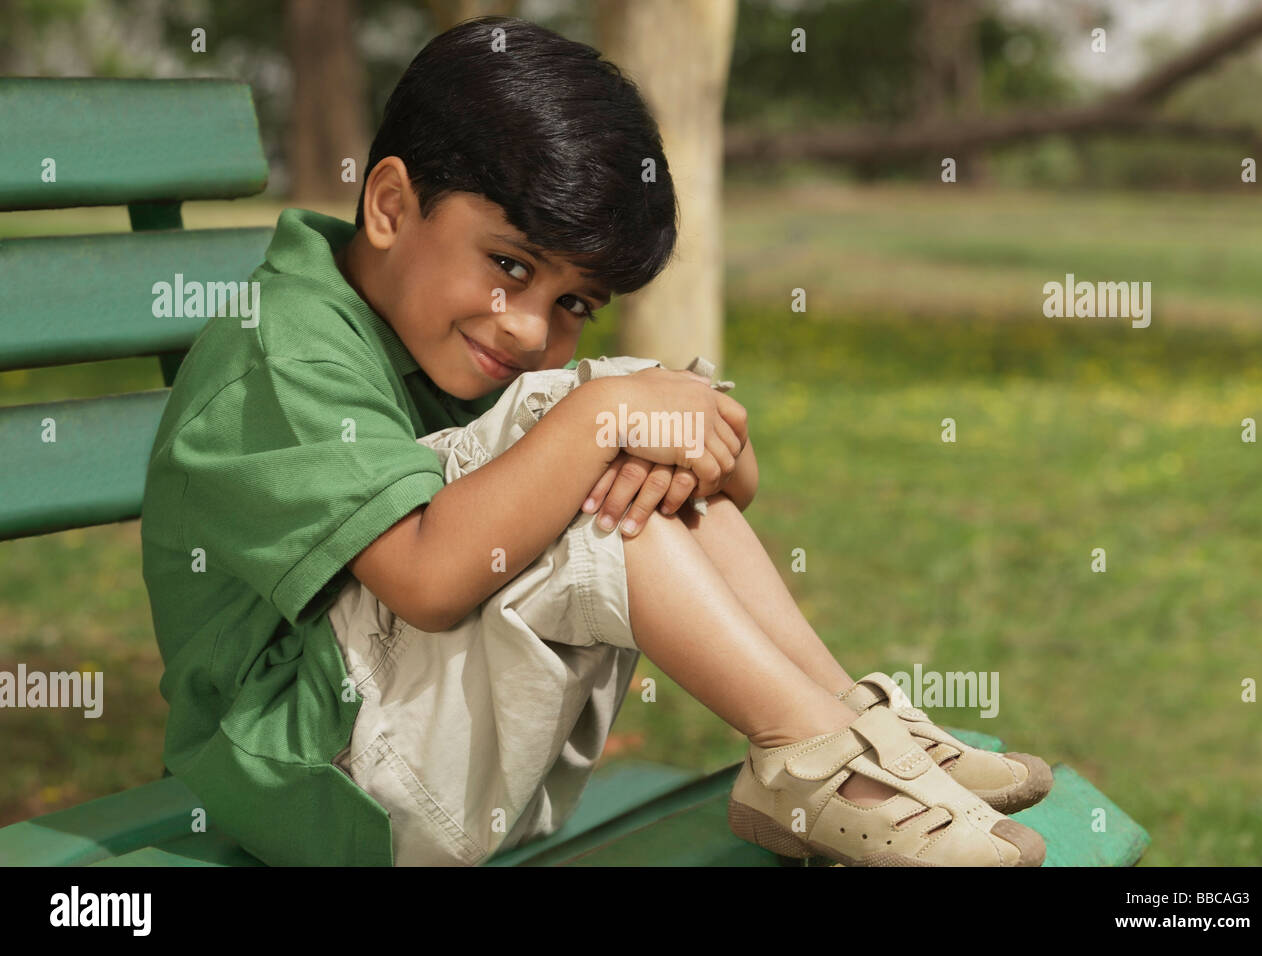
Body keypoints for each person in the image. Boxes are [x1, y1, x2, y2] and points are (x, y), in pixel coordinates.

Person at [140, 16, 1051, 867]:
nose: (531, 329)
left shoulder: (436, 335)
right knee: (598, 416)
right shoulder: (283, 346)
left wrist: (684, 434)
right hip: (324, 779)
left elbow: (731, 488)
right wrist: (603, 414)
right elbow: (423, 577)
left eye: (573, 303)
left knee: (612, 435)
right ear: (388, 205)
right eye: (509, 267)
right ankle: (811, 762)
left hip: (430, 750)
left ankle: (848, 731)